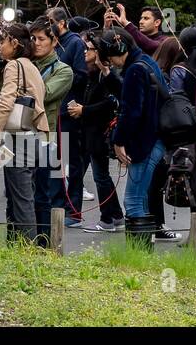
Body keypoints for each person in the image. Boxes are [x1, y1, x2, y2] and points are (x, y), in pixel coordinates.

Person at [102, 27, 166, 248]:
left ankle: (139, 254)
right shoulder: (147, 62)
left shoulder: (134, 70)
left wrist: (118, 141)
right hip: (157, 139)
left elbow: (131, 111)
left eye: (110, 56)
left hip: (144, 143)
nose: (111, 61)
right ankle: (143, 250)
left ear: (120, 49)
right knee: (142, 198)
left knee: (133, 200)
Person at [0, 23, 48, 244]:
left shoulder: (14, 66)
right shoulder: (32, 66)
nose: (0, 47)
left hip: (14, 139)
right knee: (17, 194)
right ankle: (15, 246)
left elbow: (5, 103)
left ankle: (26, 251)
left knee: (20, 199)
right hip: (31, 136)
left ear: (14, 43)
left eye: (2, 42)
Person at [74, 34, 125, 232]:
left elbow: (110, 102)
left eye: (89, 49)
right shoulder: (91, 73)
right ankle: (117, 215)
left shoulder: (105, 74)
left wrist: (84, 110)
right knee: (102, 176)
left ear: (98, 52)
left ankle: (107, 219)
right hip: (90, 131)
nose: (85, 52)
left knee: (101, 176)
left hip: (100, 131)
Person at [29, 17, 72, 244]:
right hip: (19, 135)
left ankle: (44, 243)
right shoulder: (25, 63)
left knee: (43, 194)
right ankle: (20, 239)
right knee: (18, 193)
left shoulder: (63, 70)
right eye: (33, 38)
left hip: (45, 137)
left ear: (54, 40)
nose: (36, 43)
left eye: (42, 39)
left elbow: (42, 95)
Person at [48, 9, 91, 226]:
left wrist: (60, 83)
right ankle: (56, 204)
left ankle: (73, 210)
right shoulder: (51, 44)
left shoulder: (74, 43)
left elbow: (81, 74)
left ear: (62, 23)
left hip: (68, 109)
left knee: (72, 160)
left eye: (51, 22)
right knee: (56, 160)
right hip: (54, 109)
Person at [146, 37, 184, 242]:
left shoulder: (152, 73)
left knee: (148, 183)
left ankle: (151, 224)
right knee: (155, 184)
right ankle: (156, 225)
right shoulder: (166, 78)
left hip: (148, 135)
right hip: (160, 136)